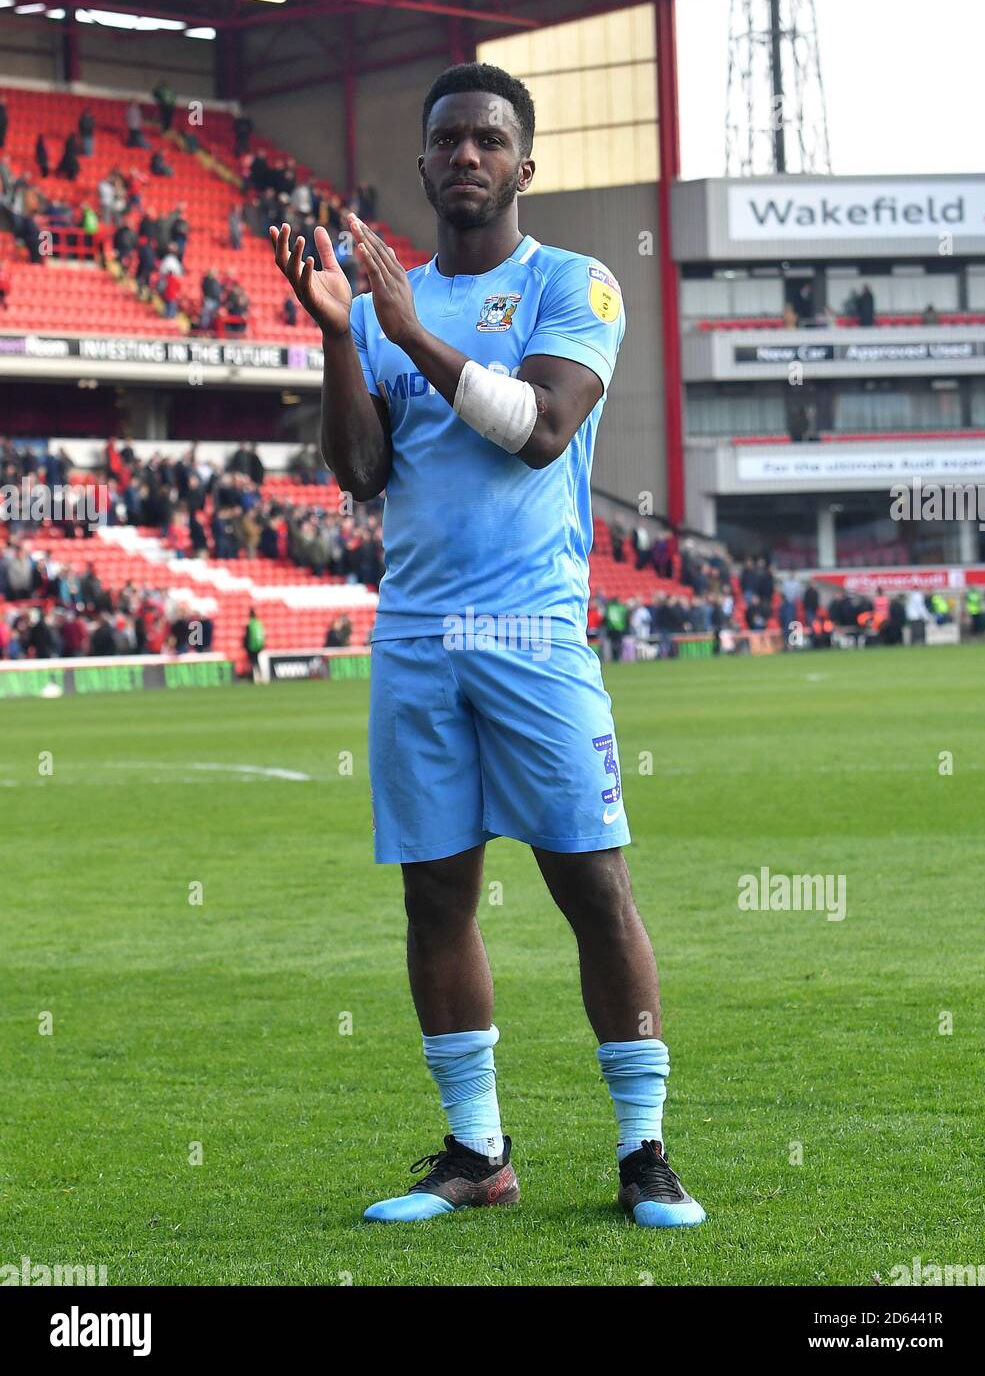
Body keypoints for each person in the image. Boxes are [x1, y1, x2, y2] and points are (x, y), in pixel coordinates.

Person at [268, 61, 706, 1231]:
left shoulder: (575, 283)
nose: (466, 156)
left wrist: (406, 328)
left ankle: (644, 1150)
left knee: (593, 889)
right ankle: (477, 1151)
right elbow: (362, 473)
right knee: (436, 899)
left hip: (534, 633)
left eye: (488, 139)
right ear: (422, 163)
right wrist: (339, 337)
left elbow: (540, 430)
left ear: (526, 162)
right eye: (447, 140)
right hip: (414, 635)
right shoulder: (374, 303)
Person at [244, 607, 266, 680]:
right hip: (259, 646)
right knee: (256, 660)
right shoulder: (258, 623)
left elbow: (247, 636)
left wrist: (245, 646)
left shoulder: (250, 624)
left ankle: (254, 677)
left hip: (251, 646)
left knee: (253, 662)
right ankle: (260, 675)